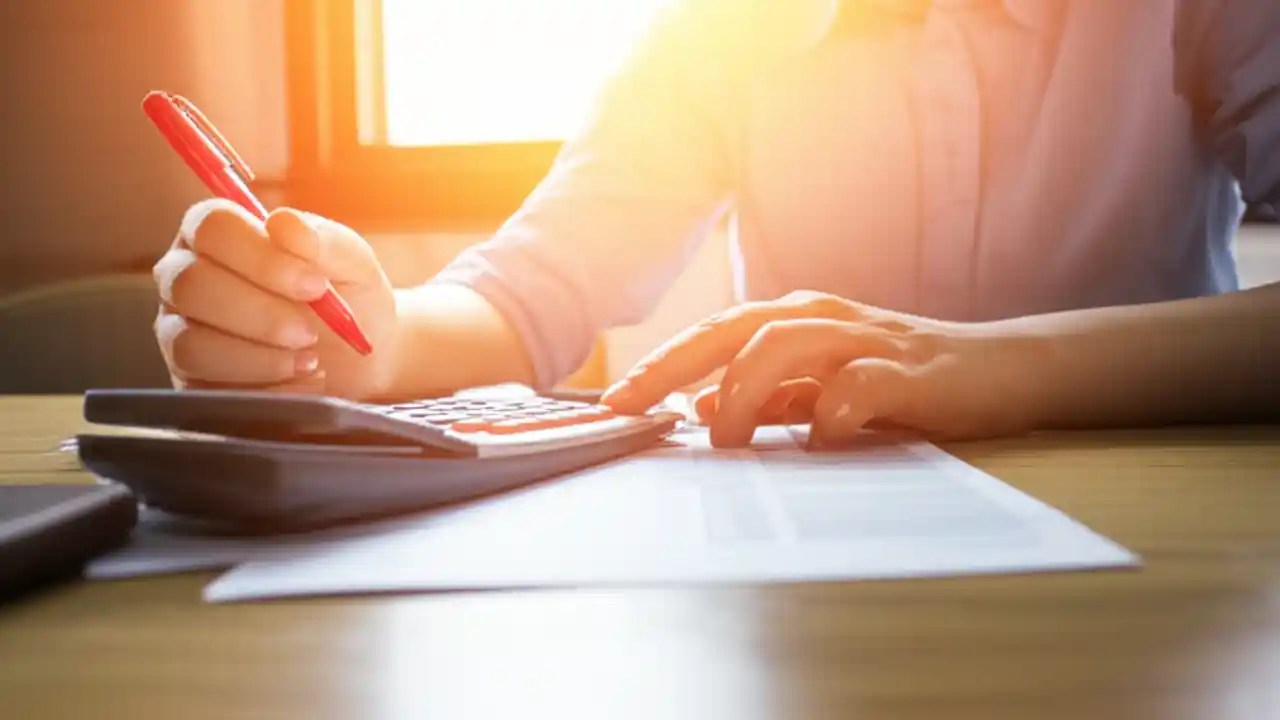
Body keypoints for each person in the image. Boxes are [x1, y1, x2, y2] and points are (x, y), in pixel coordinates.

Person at [149, 0, 1280, 448]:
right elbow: (529, 292)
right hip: (818, 528)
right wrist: (373, 339)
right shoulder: (725, 28)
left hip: (1161, 511)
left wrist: (993, 368)